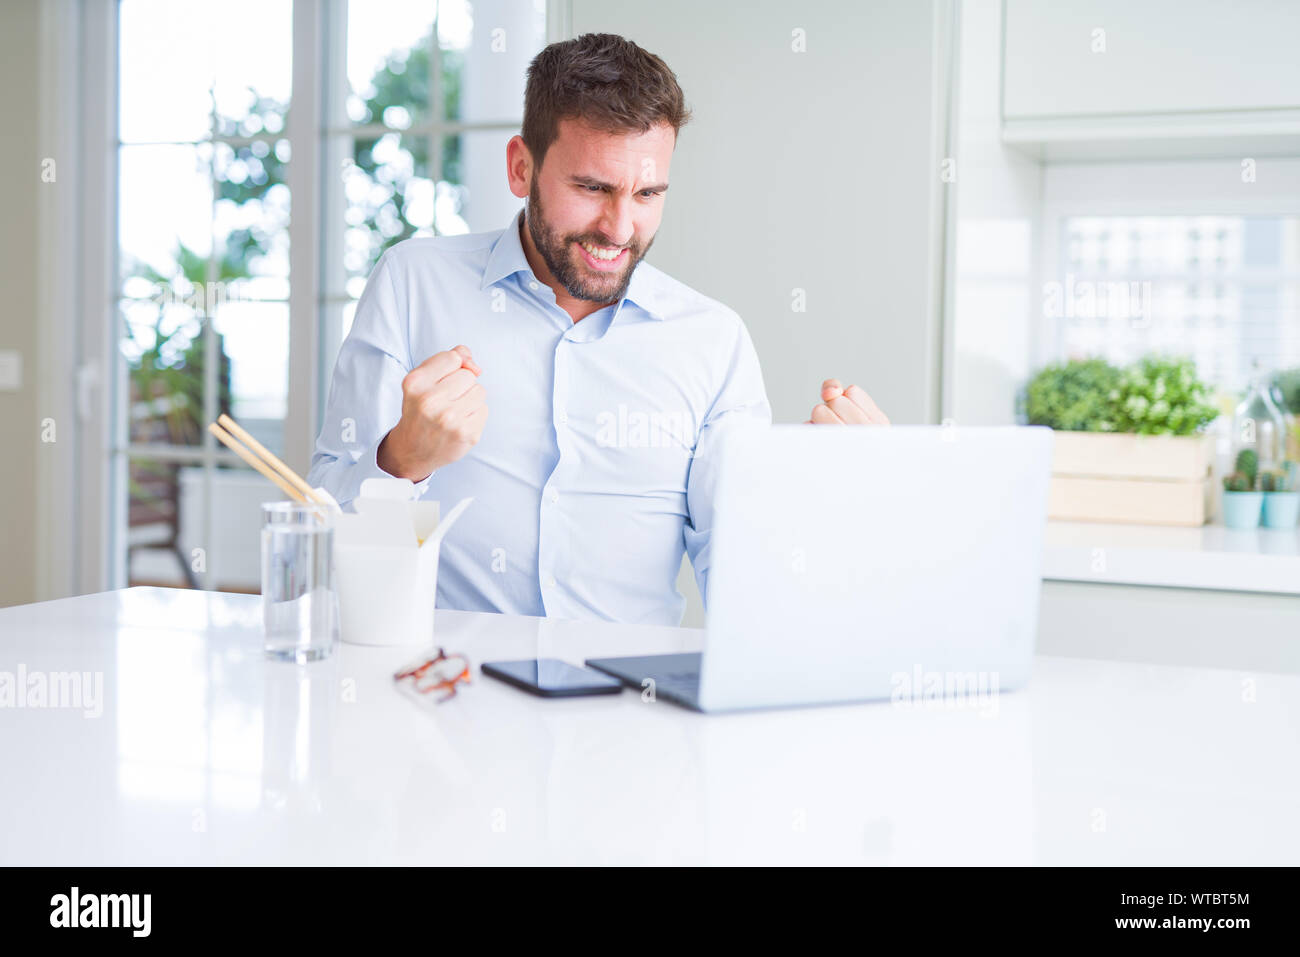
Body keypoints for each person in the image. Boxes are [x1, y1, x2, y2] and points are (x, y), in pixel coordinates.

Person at [309, 33, 889, 626]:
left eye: (648, 194)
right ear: (520, 167)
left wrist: (830, 501)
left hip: (633, 707)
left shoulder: (712, 342)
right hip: (440, 693)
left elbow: (747, 591)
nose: (619, 227)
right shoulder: (413, 284)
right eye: (592, 188)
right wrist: (401, 461)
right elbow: (319, 537)